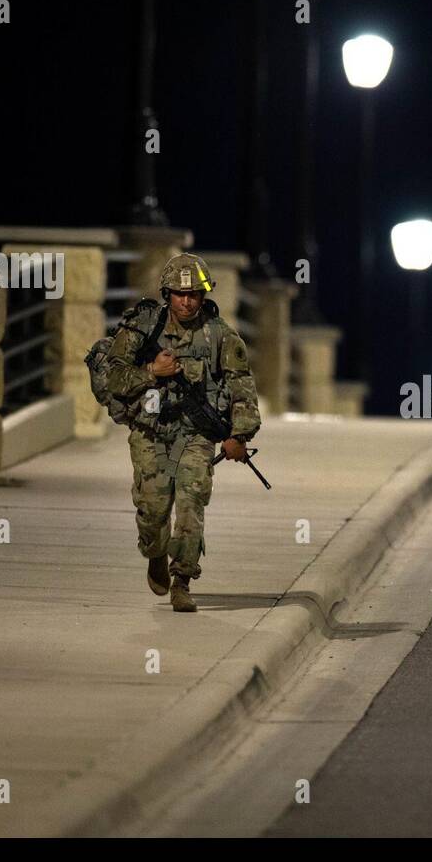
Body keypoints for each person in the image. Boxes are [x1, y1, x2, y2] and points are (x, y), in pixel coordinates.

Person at [104, 253, 261, 611]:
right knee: (152, 510)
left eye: (194, 295)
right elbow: (114, 377)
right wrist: (151, 372)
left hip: (196, 435)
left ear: (204, 296)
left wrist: (239, 436)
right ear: (167, 294)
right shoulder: (143, 329)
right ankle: (156, 553)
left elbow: (241, 388)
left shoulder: (221, 336)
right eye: (179, 294)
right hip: (150, 431)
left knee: (192, 501)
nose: (187, 301)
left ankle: (183, 579)